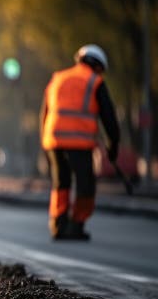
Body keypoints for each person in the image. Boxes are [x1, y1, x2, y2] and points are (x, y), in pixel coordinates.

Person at [40, 44, 120, 240]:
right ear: (98, 65)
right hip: (79, 141)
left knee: (61, 182)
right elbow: (108, 116)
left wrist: (45, 141)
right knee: (85, 184)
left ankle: (58, 224)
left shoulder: (58, 78)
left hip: (55, 140)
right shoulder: (94, 81)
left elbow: (44, 113)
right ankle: (76, 225)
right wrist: (113, 145)